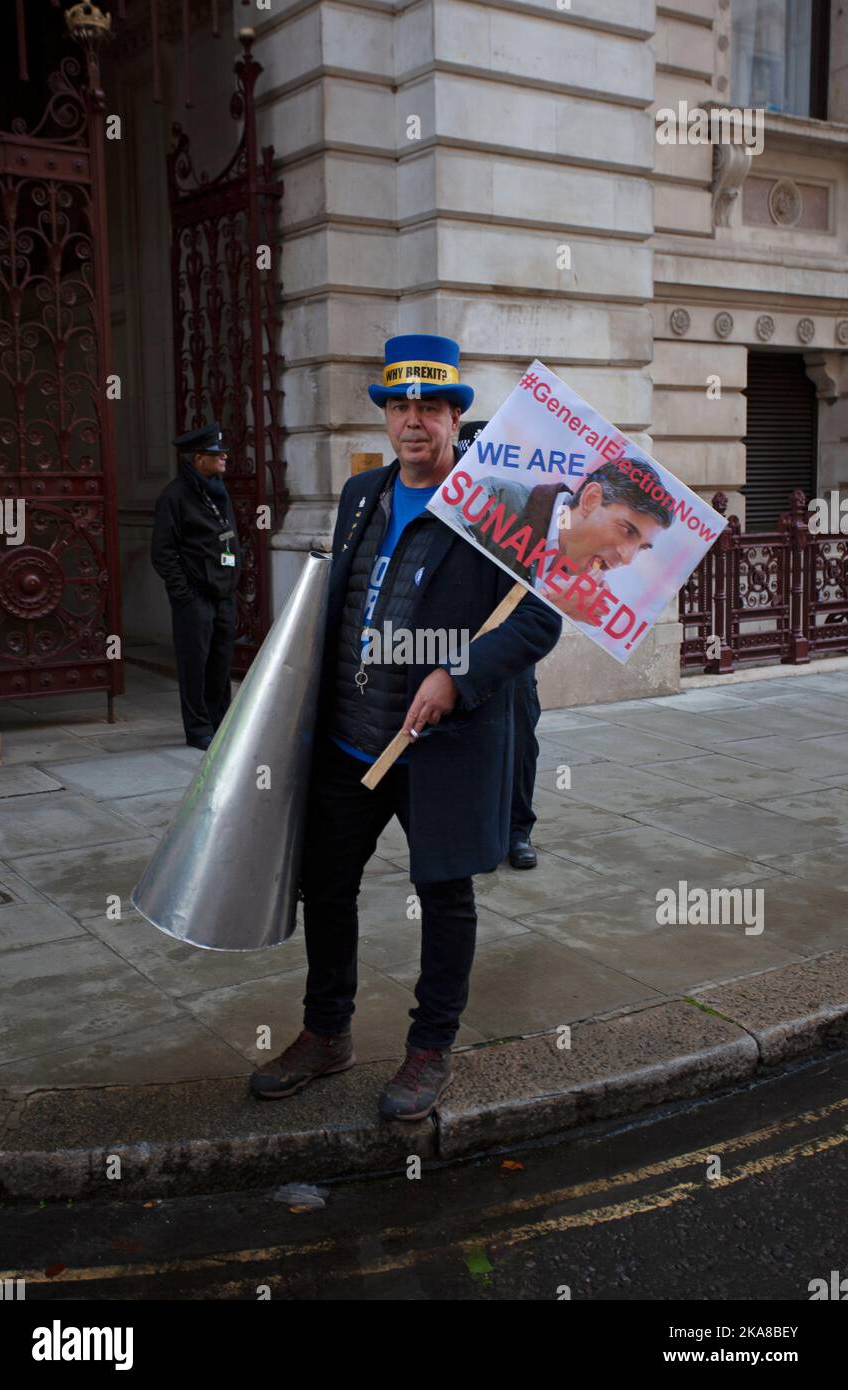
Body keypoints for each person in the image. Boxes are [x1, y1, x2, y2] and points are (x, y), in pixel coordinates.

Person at [249, 335, 562, 1120]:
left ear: (457, 416)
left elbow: (537, 622)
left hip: (440, 750)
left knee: (442, 895)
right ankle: (327, 1034)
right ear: (387, 417)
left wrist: (457, 676)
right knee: (326, 887)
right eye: (400, 407)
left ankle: (430, 1051)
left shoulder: (499, 504)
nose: (413, 421)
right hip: (354, 741)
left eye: (431, 407)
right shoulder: (364, 494)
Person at [459, 420, 540, 871]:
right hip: (455, 640)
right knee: (461, 742)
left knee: (520, 738)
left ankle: (516, 831)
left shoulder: (522, 499)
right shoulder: (445, 504)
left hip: (510, 642)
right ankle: (477, 834)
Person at [456, 458, 675, 623]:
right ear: (590, 499)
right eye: (627, 530)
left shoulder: (576, 586)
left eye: (642, 548)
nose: (627, 558)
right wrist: (548, 603)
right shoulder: (489, 501)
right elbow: (448, 601)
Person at [150, 422, 242, 751]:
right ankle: (198, 729)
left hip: (223, 595)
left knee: (220, 663)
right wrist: (184, 594)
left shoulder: (217, 490)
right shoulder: (175, 496)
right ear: (197, 458)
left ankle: (220, 722)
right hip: (195, 598)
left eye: (224, 453)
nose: (224, 458)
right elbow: (162, 552)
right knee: (195, 666)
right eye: (217, 454)